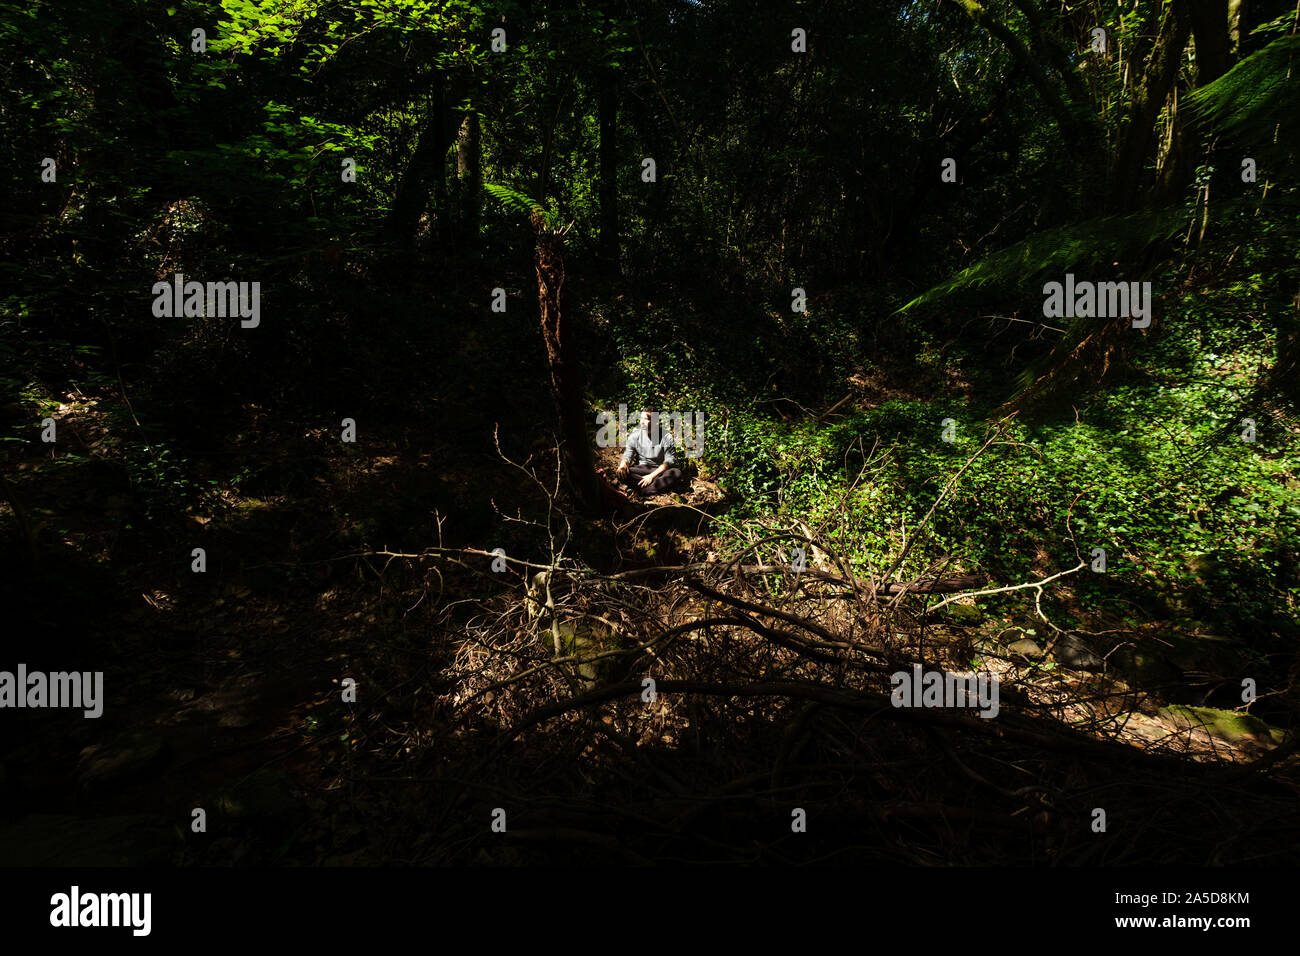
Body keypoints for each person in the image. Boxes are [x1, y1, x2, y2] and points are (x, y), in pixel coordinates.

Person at [616, 408, 684, 496]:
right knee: (622, 473)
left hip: (659, 471)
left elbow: (669, 460)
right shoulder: (635, 434)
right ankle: (652, 488)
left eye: (646, 419)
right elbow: (628, 454)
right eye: (641, 418)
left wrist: (651, 476)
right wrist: (623, 464)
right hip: (642, 469)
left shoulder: (666, 436)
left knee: (676, 473)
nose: (642, 422)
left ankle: (642, 490)